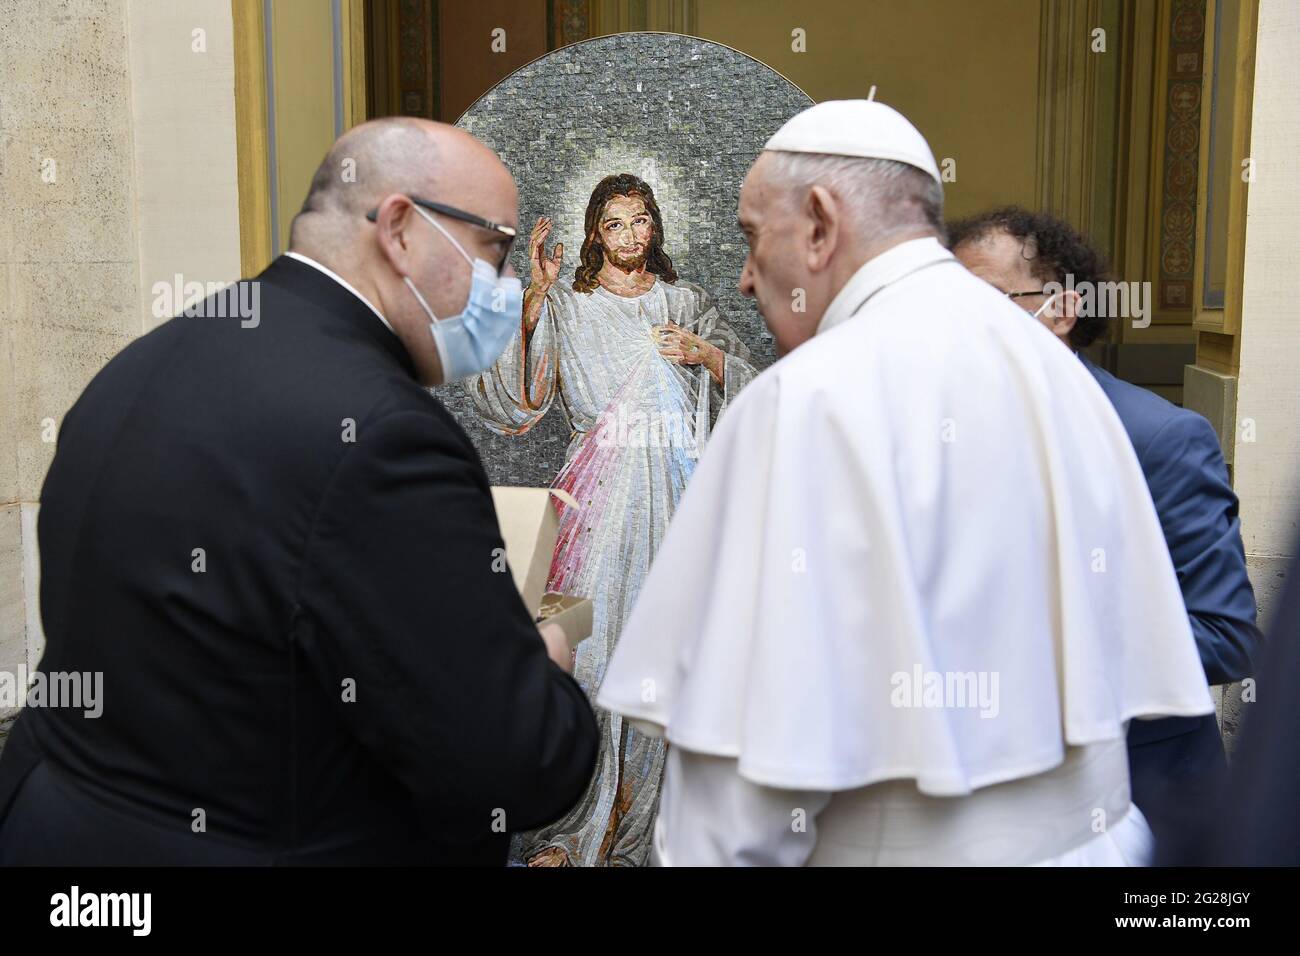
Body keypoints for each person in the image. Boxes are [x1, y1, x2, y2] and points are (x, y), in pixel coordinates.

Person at [595, 100, 1214, 865]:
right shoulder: (1061, 373)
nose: (750, 279)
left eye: (754, 239)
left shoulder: (806, 399)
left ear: (820, 221)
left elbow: (735, 797)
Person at [0, 118, 598, 865]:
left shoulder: (144, 363)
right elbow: (515, 761)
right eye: (496, 251)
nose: (506, 288)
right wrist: (544, 667)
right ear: (403, 228)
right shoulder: (383, 435)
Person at [465, 174, 757, 866]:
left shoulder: (685, 302)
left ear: (656, 226)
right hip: (598, 500)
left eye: (641, 221)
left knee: (672, 655)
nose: (631, 236)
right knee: (590, 658)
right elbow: (516, 400)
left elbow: (752, 385)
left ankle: (649, 829)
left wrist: (706, 355)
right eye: (616, 224)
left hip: (678, 499)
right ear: (596, 233)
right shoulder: (568, 304)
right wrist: (535, 296)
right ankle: (569, 831)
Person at [948, 208, 1261, 849]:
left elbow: (1226, 637)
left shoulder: (1160, 440)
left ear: (1061, 308)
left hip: (1142, 795)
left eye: (987, 302)